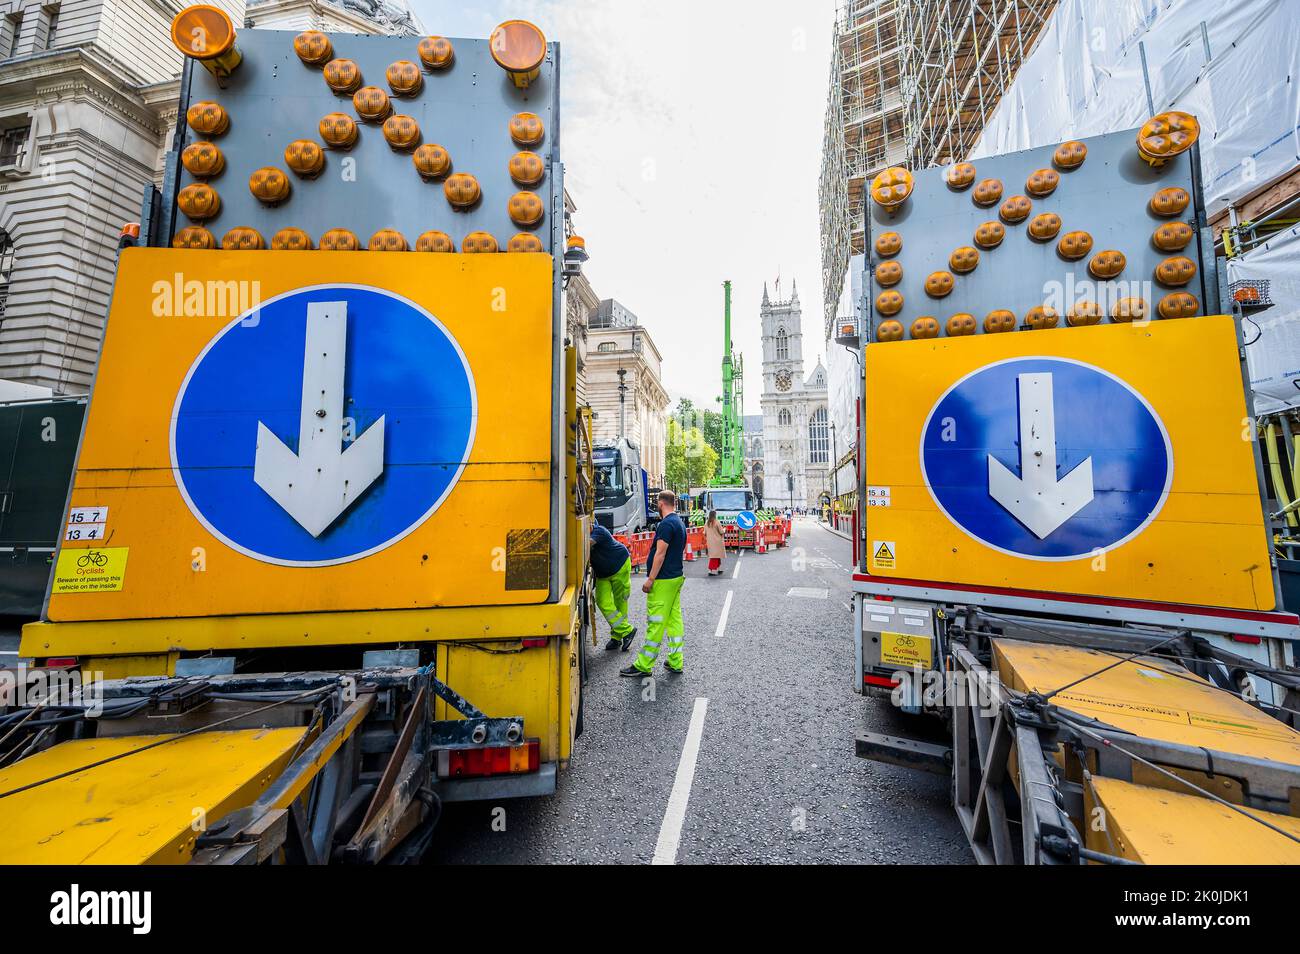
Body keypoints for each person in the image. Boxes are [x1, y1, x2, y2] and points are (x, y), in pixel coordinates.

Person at [621, 490, 686, 677]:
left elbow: (660, 553)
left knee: (655, 622)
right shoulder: (679, 523)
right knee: (674, 621)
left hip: (663, 580)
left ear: (661, 504)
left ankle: (644, 664)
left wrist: (650, 579)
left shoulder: (666, 525)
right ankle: (675, 661)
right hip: (675, 578)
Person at [590, 523, 636, 652]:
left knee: (620, 603)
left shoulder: (599, 531)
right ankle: (627, 630)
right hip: (603, 574)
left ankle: (617, 637)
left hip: (619, 565)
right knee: (602, 602)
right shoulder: (593, 531)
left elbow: (585, 544)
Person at [704, 509, 725, 577]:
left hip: (710, 542)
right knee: (715, 557)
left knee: (715, 556)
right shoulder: (717, 522)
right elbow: (721, 532)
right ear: (715, 515)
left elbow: (704, 532)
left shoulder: (707, 523)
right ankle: (711, 570)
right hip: (717, 542)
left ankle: (718, 569)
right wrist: (725, 529)